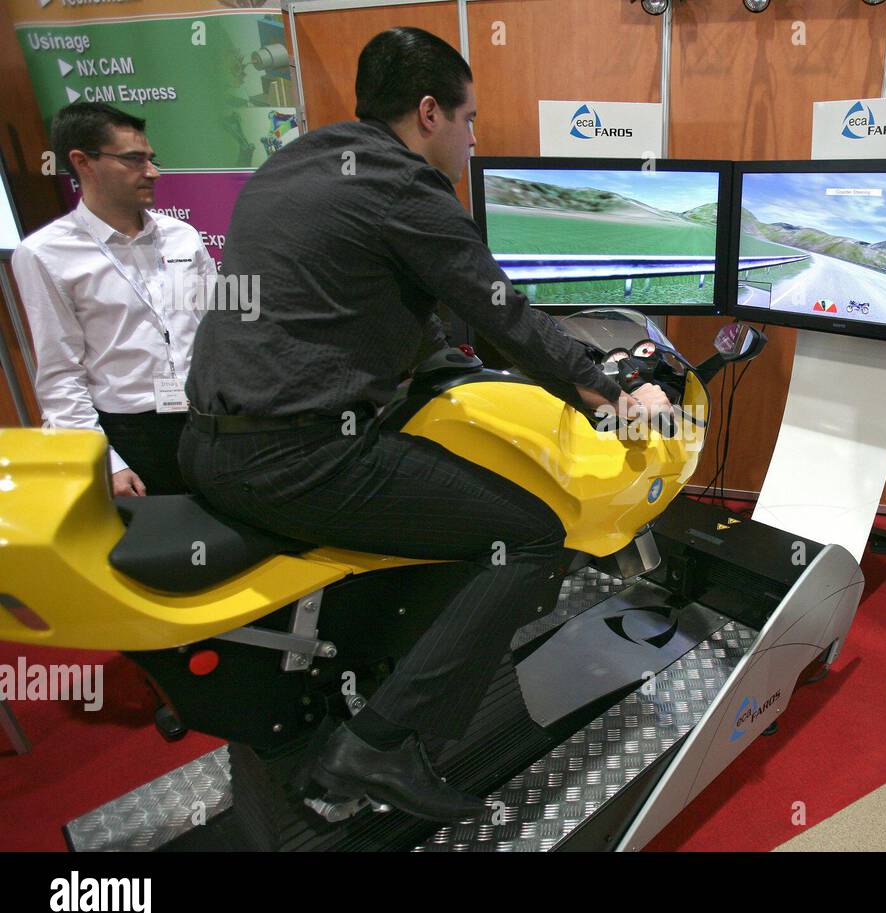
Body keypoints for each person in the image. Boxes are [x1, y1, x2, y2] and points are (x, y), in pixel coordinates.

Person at [179, 26, 671, 821]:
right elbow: (501, 309)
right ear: (430, 112)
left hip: (207, 443)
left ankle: (376, 682)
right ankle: (381, 744)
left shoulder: (297, 160)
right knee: (530, 536)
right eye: (471, 120)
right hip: (296, 457)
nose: (474, 139)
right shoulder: (404, 187)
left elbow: (370, 302)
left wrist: (451, 364)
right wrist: (608, 393)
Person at [12, 103, 217, 496]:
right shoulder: (45, 254)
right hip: (133, 433)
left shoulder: (182, 236)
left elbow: (216, 321)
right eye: (133, 160)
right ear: (82, 162)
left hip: (207, 418)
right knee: (163, 547)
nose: (152, 172)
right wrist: (107, 461)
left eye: (152, 159)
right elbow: (60, 374)